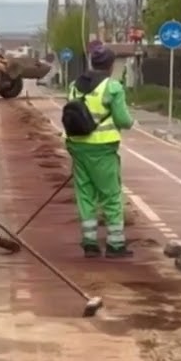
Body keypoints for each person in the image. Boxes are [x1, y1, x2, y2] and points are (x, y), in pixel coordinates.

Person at [65, 44, 134, 258]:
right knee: (111, 195)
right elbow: (123, 120)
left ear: (92, 63)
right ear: (111, 65)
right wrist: (130, 121)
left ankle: (90, 242)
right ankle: (115, 244)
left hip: (77, 146)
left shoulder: (74, 85)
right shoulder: (112, 88)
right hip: (102, 148)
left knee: (85, 194)